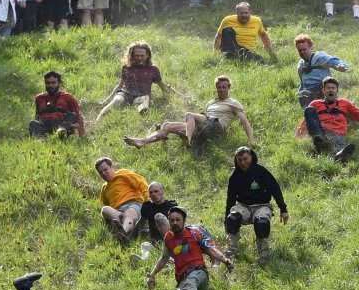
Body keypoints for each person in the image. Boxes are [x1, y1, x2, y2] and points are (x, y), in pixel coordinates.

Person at [123, 75, 254, 150]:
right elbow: (201, 120)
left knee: (189, 114)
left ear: (228, 87)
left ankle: (188, 140)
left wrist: (252, 141)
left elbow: (245, 122)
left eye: (224, 87)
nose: (221, 89)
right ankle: (142, 142)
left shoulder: (234, 103)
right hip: (204, 127)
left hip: (217, 127)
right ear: (216, 88)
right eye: (219, 87)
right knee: (166, 125)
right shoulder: (211, 103)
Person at [147, 206, 233, 290]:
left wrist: (226, 261)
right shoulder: (168, 238)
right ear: (169, 222)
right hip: (182, 278)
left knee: (190, 284)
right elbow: (164, 258)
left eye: (178, 220)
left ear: (184, 221)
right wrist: (152, 275)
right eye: (172, 220)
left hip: (198, 272)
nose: (175, 223)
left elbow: (211, 250)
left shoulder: (194, 232)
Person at [302, 76, 359, 162]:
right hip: (320, 131)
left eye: (333, 88)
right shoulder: (315, 103)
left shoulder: (344, 103)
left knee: (339, 143)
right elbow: (307, 121)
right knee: (309, 110)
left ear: (337, 90)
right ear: (323, 90)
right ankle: (318, 141)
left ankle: (340, 154)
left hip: (336, 133)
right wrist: (299, 135)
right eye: (328, 88)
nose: (331, 90)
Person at [95, 41, 186, 124]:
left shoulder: (153, 70)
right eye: (137, 55)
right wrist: (107, 100)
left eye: (142, 56)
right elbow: (120, 85)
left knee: (145, 98)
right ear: (132, 56)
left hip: (140, 97)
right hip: (125, 94)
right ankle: (97, 122)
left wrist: (182, 96)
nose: (139, 58)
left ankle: (143, 117)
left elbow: (164, 86)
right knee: (117, 100)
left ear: (147, 56)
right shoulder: (127, 68)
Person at [224, 146, 289, 260]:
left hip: (262, 205)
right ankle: (232, 249)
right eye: (240, 160)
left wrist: (283, 209)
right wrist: (226, 220)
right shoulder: (234, 177)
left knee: (262, 223)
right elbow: (230, 199)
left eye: (245, 159)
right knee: (232, 219)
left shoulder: (261, 172)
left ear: (251, 157)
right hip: (243, 206)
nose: (243, 162)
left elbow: (275, 189)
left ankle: (264, 254)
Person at [95, 157, 149, 242]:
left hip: (133, 204)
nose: (103, 173)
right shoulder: (104, 188)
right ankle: (125, 231)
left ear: (112, 167)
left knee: (129, 214)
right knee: (105, 209)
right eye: (100, 172)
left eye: (105, 169)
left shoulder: (123, 174)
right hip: (118, 211)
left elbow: (141, 182)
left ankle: (123, 233)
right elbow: (101, 203)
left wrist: (148, 199)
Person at [294, 33, 349, 108]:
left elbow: (335, 62)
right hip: (309, 93)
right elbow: (302, 83)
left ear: (311, 48)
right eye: (300, 50)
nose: (302, 52)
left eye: (304, 49)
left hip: (323, 90)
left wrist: (340, 66)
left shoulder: (319, 57)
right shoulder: (300, 65)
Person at [29, 71, 85, 138]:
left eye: (53, 83)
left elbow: (78, 116)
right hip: (44, 125)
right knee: (33, 122)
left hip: (62, 124)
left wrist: (82, 136)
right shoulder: (39, 98)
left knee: (73, 115)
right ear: (45, 83)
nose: (51, 85)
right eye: (48, 83)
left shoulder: (68, 97)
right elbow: (37, 115)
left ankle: (61, 132)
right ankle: (39, 140)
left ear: (59, 83)